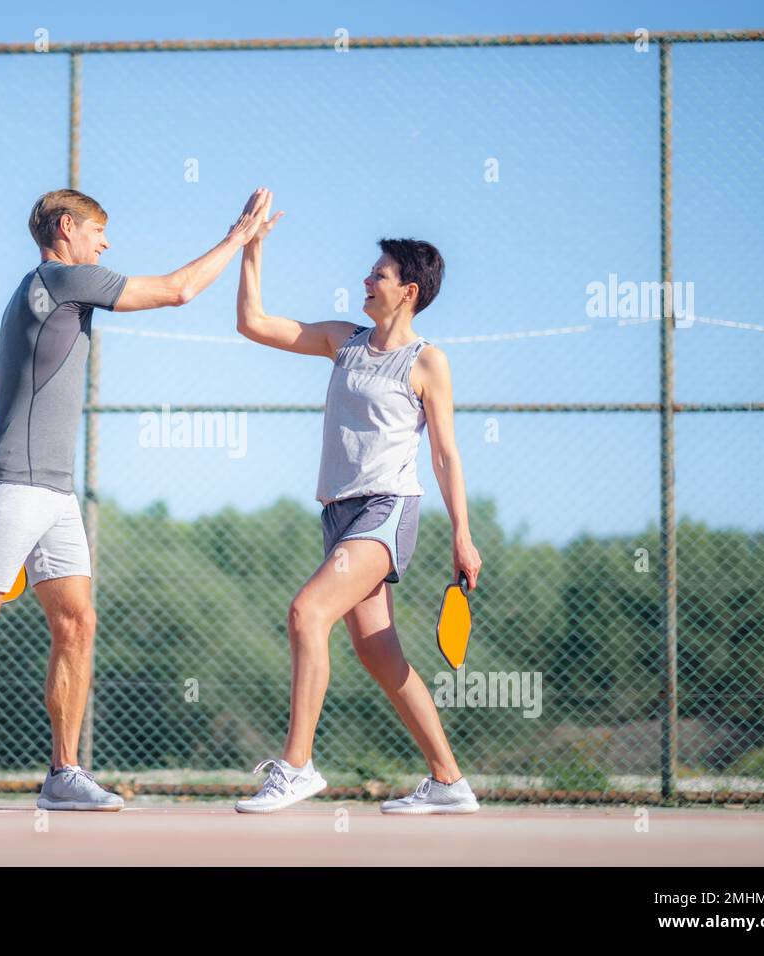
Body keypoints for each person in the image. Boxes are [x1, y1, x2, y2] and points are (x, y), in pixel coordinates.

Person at [0, 187, 273, 811]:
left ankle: (63, 774)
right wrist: (239, 238)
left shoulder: (38, 293)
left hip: (53, 491)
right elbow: (177, 290)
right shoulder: (61, 278)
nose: (105, 244)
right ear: (66, 228)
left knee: (77, 623)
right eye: (98, 232)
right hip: (10, 484)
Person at [233, 192, 483, 814]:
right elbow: (254, 323)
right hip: (339, 513)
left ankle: (297, 767)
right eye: (371, 272)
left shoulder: (427, 361)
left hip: (386, 508)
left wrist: (462, 535)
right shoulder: (344, 340)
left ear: (410, 291)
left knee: (306, 614)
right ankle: (449, 782)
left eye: (381, 275)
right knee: (380, 654)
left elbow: (447, 455)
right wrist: (252, 247)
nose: (367, 280)